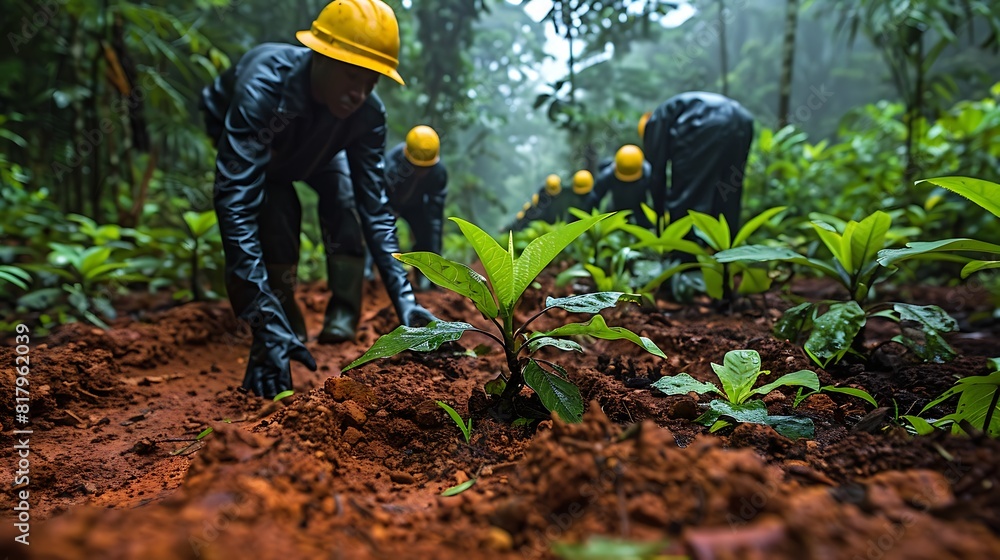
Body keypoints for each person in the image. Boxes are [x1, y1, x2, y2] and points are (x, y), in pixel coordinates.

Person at [200, 0, 437, 399]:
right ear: (319, 57)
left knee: (344, 204)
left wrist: (406, 301)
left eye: (373, 81)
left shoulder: (366, 116)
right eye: (352, 75)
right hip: (262, 142)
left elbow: (375, 211)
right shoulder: (263, 87)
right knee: (274, 212)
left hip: (322, 145)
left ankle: (342, 314)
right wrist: (259, 321)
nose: (360, 93)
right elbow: (235, 203)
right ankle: (277, 324)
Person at [319, 124, 448, 343]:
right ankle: (368, 270)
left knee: (426, 231)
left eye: (424, 167)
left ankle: (426, 277)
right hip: (390, 205)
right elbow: (377, 205)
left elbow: (435, 218)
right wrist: (388, 214)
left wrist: (433, 253)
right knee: (376, 232)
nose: (420, 171)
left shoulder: (438, 173)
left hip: (417, 208)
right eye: (415, 166)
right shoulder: (392, 161)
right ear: (407, 158)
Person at [641, 92, 754, 233]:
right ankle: (726, 247)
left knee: (686, 193)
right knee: (729, 186)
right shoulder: (670, 112)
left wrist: (659, 213)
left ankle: (681, 250)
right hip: (742, 119)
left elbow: (657, 171)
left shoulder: (655, 121)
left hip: (707, 122)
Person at [593, 144, 653, 228]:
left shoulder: (648, 173)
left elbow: (658, 195)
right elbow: (595, 198)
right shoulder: (608, 174)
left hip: (640, 212)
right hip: (616, 211)